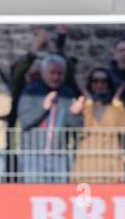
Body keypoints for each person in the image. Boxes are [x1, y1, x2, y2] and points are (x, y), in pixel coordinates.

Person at [17, 54, 83, 183]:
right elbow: (25, 121)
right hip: (33, 155)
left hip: (60, 155)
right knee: (34, 194)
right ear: (43, 72)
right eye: (52, 73)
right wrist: (43, 106)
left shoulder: (67, 94)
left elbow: (75, 126)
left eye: (60, 74)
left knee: (59, 193)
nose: (56, 77)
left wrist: (75, 113)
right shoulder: (30, 92)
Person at [70, 66, 125, 184]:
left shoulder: (116, 105)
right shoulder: (84, 104)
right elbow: (74, 127)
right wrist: (74, 113)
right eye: (95, 81)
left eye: (104, 81)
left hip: (111, 154)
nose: (99, 84)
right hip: (88, 154)